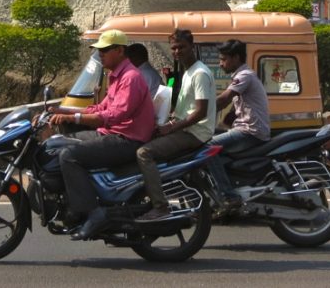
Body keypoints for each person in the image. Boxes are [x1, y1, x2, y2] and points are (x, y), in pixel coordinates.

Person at [47, 29, 154, 240]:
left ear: (120, 50)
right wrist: (63, 111)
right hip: (111, 133)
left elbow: (114, 115)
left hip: (126, 139)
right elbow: (98, 108)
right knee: (59, 143)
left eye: (105, 50)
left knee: (69, 155)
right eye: (100, 51)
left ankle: (93, 213)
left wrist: (73, 119)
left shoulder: (130, 78)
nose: (101, 54)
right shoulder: (117, 76)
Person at [136, 29, 215, 221]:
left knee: (144, 153)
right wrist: (169, 119)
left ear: (192, 47)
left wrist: (171, 127)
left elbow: (200, 112)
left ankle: (161, 206)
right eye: (174, 48)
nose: (177, 51)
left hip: (194, 133)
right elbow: (183, 108)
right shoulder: (187, 72)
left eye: (182, 47)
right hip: (186, 128)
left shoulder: (199, 73)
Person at [205, 39, 270, 209]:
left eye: (223, 59)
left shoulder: (244, 76)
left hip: (250, 131)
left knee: (207, 147)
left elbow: (223, 100)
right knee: (208, 135)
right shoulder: (243, 76)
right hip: (245, 128)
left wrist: (195, 114)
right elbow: (236, 108)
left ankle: (229, 195)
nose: (220, 64)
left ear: (236, 58)